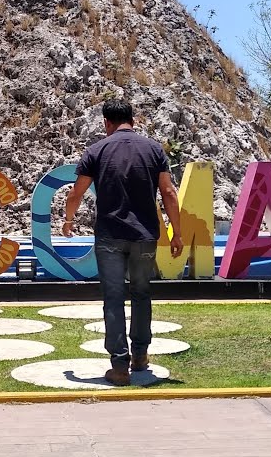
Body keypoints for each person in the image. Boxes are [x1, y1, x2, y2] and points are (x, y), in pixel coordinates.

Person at [63, 98, 183, 386]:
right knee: (142, 294)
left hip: (109, 236)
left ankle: (119, 366)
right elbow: (168, 192)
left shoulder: (96, 150)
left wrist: (68, 220)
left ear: (106, 123)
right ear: (134, 118)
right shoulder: (154, 149)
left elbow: (76, 193)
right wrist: (176, 232)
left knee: (114, 300)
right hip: (144, 237)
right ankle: (140, 356)